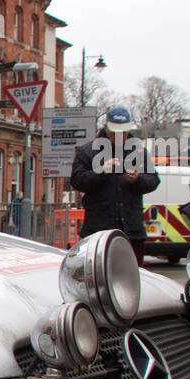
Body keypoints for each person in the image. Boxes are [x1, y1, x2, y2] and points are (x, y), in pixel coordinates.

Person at [68, 105, 160, 265]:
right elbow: (77, 180)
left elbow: (153, 181)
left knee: (132, 278)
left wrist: (137, 179)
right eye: (115, 133)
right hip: (97, 232)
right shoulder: (87, 152)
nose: (120, 137)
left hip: (132, 231)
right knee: (97, 277)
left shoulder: (138, 152)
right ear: (106, 129)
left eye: (123, 133)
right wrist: (100, 172)